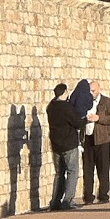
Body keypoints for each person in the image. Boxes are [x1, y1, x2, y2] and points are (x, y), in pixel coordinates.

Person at [44, 83, 83, 211]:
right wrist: (86, 120)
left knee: (59, 173)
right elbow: (77, 122)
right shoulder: (66, 107)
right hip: (69, 144)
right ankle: (67, 200)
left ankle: (55, 201)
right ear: (65, 92)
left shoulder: (51, 107)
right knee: (72, 172)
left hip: (56, 144)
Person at [81, 79, 110, 203]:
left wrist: (98, 118)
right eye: (89, 91)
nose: (91, 93)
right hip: (88, 138)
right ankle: (88, 196)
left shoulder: (107, 102)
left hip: (102, 140)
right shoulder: (84, 102)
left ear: (98, 90)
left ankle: (103, 195)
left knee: (103, 169)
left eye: (93, 91)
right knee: (88, 169)